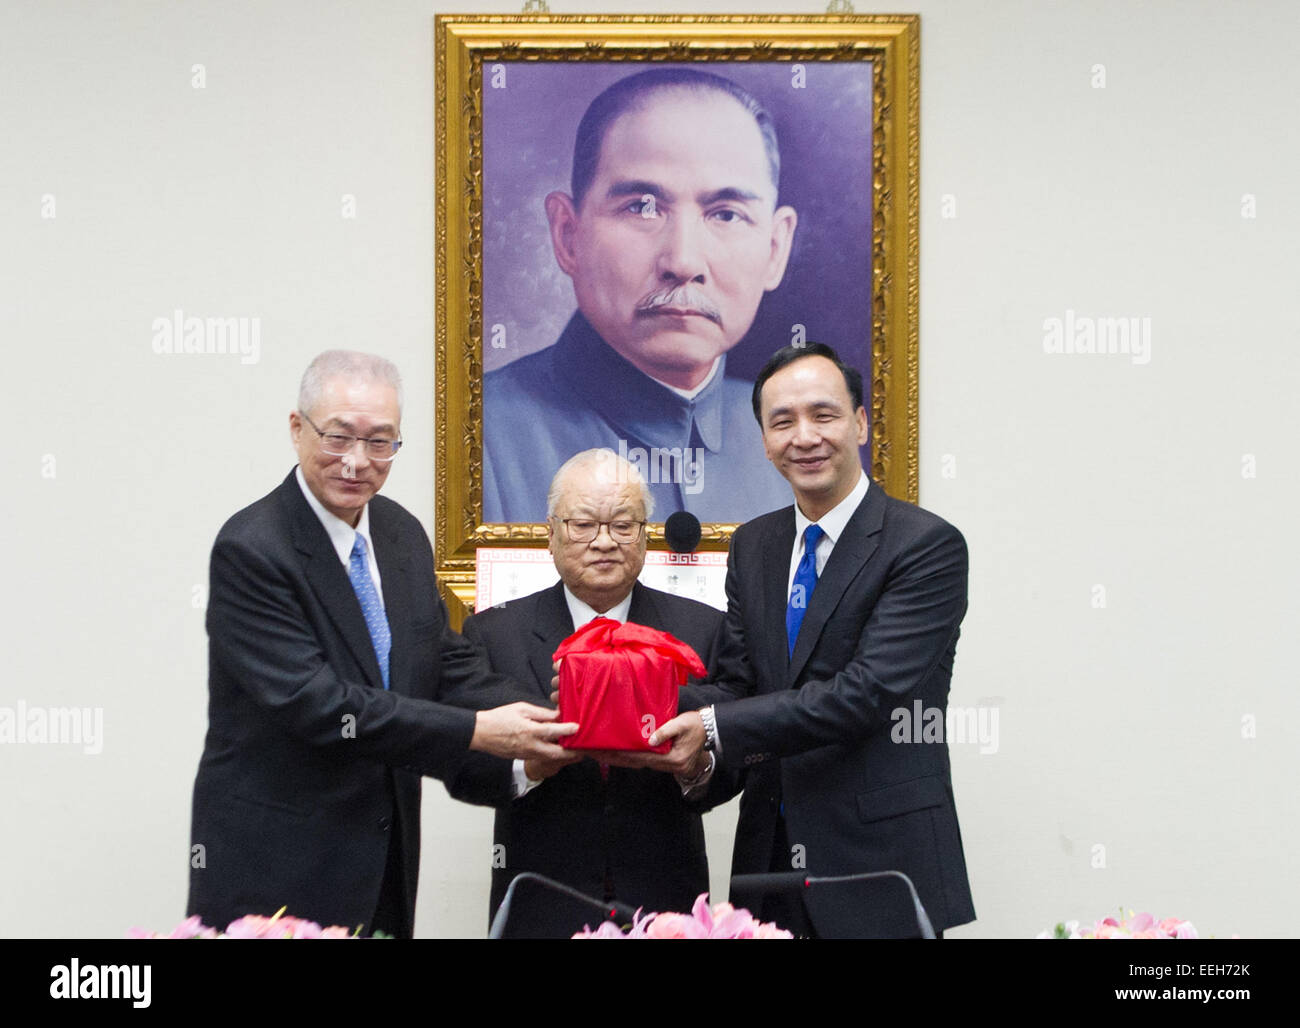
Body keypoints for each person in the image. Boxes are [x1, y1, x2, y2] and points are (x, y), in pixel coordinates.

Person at [187, 350, 577, 939]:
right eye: (338, 436)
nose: (356, 462)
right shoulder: (252, 549)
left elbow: (443, 666)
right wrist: (479, 732)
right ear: (297, 429)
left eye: (381, 442)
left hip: (385, 864)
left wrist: (556, 719)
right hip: (277, 872)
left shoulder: (399, 533)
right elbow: (322, 706)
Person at [635, 343, 976, 938]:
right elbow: (740, 685)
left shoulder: (925, 546)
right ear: (764, 440)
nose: (805, 437)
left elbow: (865, 694)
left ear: (861, 422)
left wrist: (713, 728)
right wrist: (630, 694)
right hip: (769, 865)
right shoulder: (754, 546)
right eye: (782, 421)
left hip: (880, 863)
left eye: (824, 415)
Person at [483, 67, 797, 524]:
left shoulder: (796, 446)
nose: (684, 262)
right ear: (568, 235)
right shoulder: (478, 436)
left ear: (775, 248)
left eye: (726, 214)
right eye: (642, 207)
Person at [446, 449, 723, 936]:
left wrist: (694, 766)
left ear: (645, 536)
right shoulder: (494, 634)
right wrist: (530, 765)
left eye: (623, 524)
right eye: (582, 525)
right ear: (551, 535)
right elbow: (463, 771)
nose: (604, 542)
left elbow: (736, 759)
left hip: (666, 906)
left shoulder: (699, 629)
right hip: (540, 902)